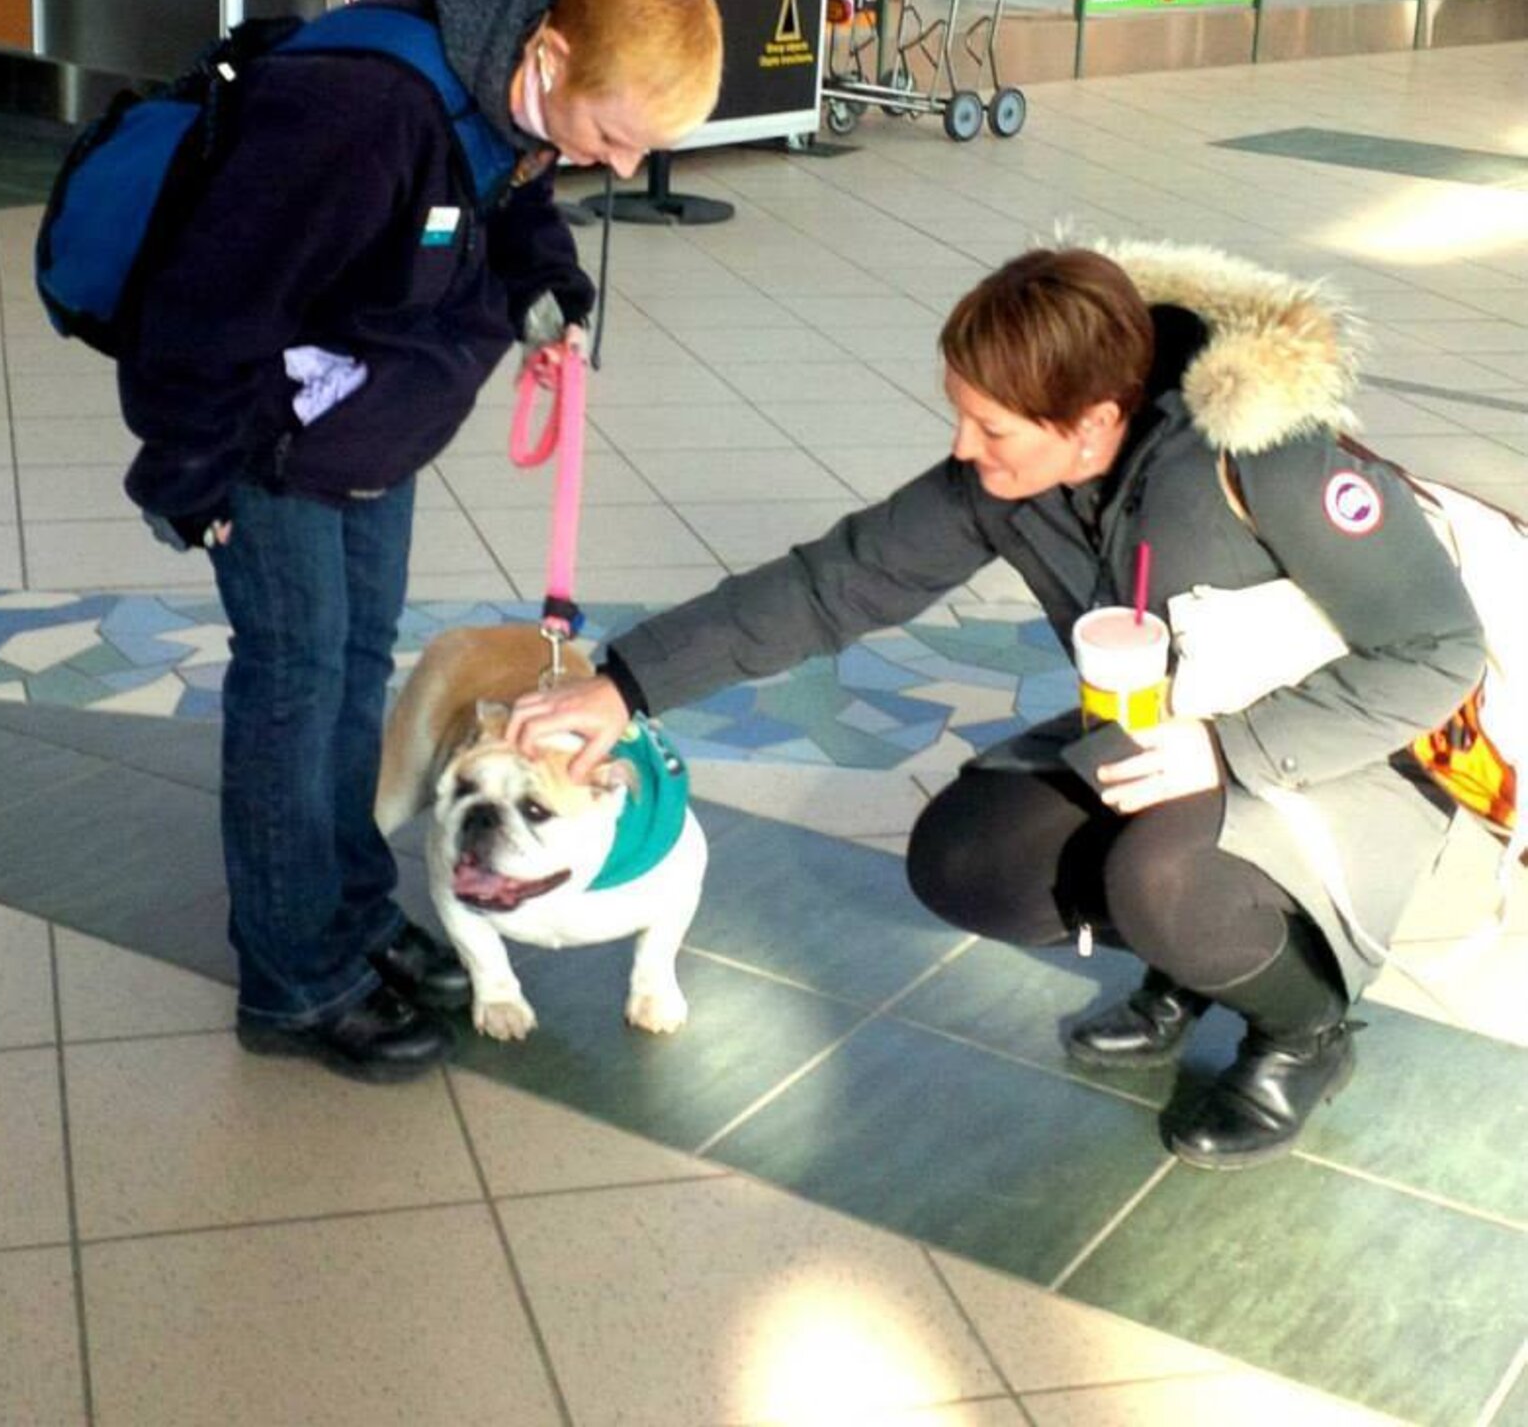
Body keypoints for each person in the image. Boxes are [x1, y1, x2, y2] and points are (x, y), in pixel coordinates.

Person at [508, 244, 1483, 1167]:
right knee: (970, 858)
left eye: (992, 427)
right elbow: (829, 585)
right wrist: (623, 683)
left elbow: (1440, 650)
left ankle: (1302, 1028)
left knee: (1160, 875)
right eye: (961, 414)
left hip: (1342, 747)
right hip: (1167, 735)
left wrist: (1232, 748)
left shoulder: (1267, 457)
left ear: (1095, 421)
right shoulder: (1005, 481)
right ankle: (1192, 965)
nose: (964, 447)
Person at [118, 0, 723, 1082]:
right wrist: (191, 476)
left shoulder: (519, 101)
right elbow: (213, 292)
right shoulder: (363, 111)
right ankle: (295, 980)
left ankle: (348, 907)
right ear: (548, 52)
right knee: (295, 688)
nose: (616, 162)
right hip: (268, 447)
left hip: (367, 438)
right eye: (611, 134)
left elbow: (511, 200)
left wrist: (550, 286)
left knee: (353, 674)